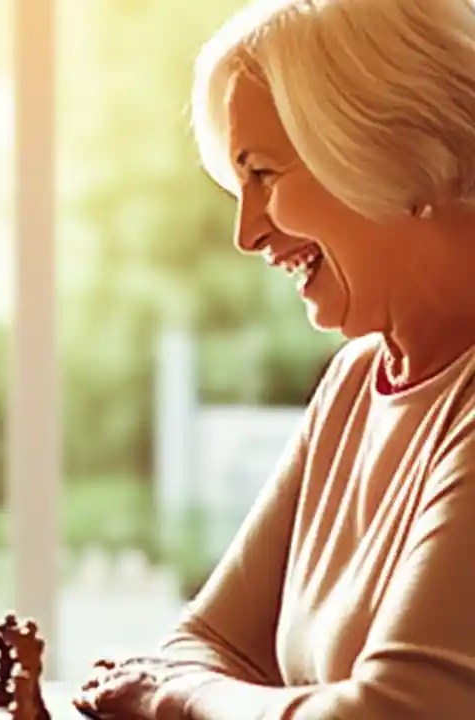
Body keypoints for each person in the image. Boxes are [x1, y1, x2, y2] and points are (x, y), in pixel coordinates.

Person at [73, 0, 475, 718]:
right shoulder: (357, 381)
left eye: (263, 174)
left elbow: (396, 711)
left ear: (398, 151)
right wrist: (196, 688)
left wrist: (178, 697)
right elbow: (205, 640)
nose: (247, 233)